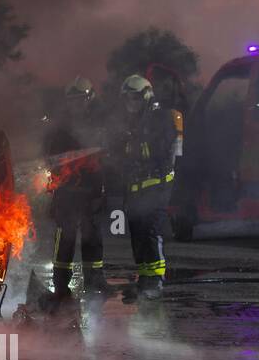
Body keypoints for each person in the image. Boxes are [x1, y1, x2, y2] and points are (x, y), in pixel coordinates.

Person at [42, 76, 107, 301]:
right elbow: (50, 158)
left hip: (92, 190)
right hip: (67, 192)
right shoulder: (60, 128)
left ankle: (94, 280)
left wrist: (103, 189)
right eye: (73, 100)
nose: (76, 104)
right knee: (65, 237)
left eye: (81, 99)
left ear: (90, 99)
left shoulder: (101, 123)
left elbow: (108, 157)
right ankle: (61, 284)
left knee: (92, 236)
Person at [115, 74, 178, 301]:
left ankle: (156, 281)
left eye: (133, 98)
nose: (129, 103)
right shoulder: (135, 120)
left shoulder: (159, 118)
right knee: (137, 234)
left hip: (155, 187)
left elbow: (161, 151)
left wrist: (140, 158)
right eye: (127, 99)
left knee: (151, 232)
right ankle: (144, 280)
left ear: (145, 95)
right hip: (136, 189)